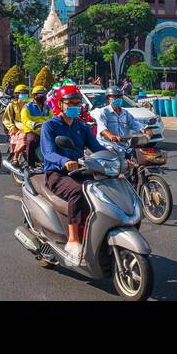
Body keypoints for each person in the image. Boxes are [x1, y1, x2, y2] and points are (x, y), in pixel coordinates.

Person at [40, 84, 104, 264]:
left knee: (103, 188)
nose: (75, 106)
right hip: (56, 173)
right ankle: (73, 239)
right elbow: (48, 153)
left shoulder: (82, 127)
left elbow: (97, 147)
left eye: (78, 103)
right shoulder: (50, 126)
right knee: (77, 191)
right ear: (60, 104)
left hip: (81, 170)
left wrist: (118, 157)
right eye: (70, 103)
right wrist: (64, 161)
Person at [93, 86, 153, 157]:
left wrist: (145, 131)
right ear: (108, 98)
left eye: (120, 96)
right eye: (115, 96)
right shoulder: (103, 112)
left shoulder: (126, 113)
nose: (118, 98)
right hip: (108, 145)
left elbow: (135, 124)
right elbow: (102, 129)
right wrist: (111, 136)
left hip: (123, 146)